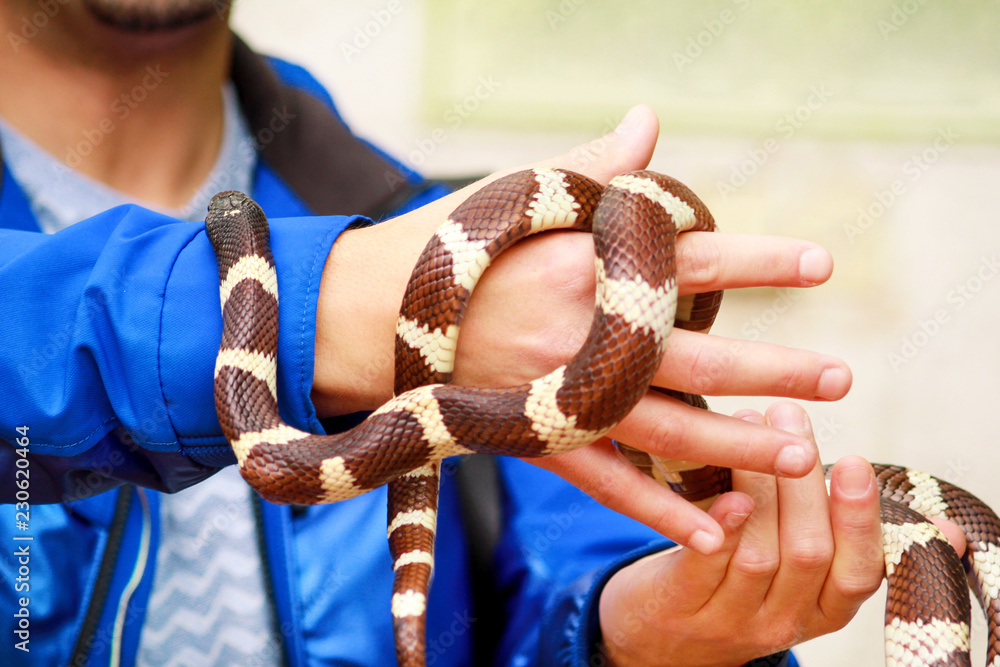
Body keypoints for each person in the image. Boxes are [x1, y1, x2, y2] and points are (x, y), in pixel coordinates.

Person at [0, 2, 962, 665]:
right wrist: (324, 305)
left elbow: (569, 569)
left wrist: (626, 634)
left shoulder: (448, 242)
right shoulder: (422, 264)